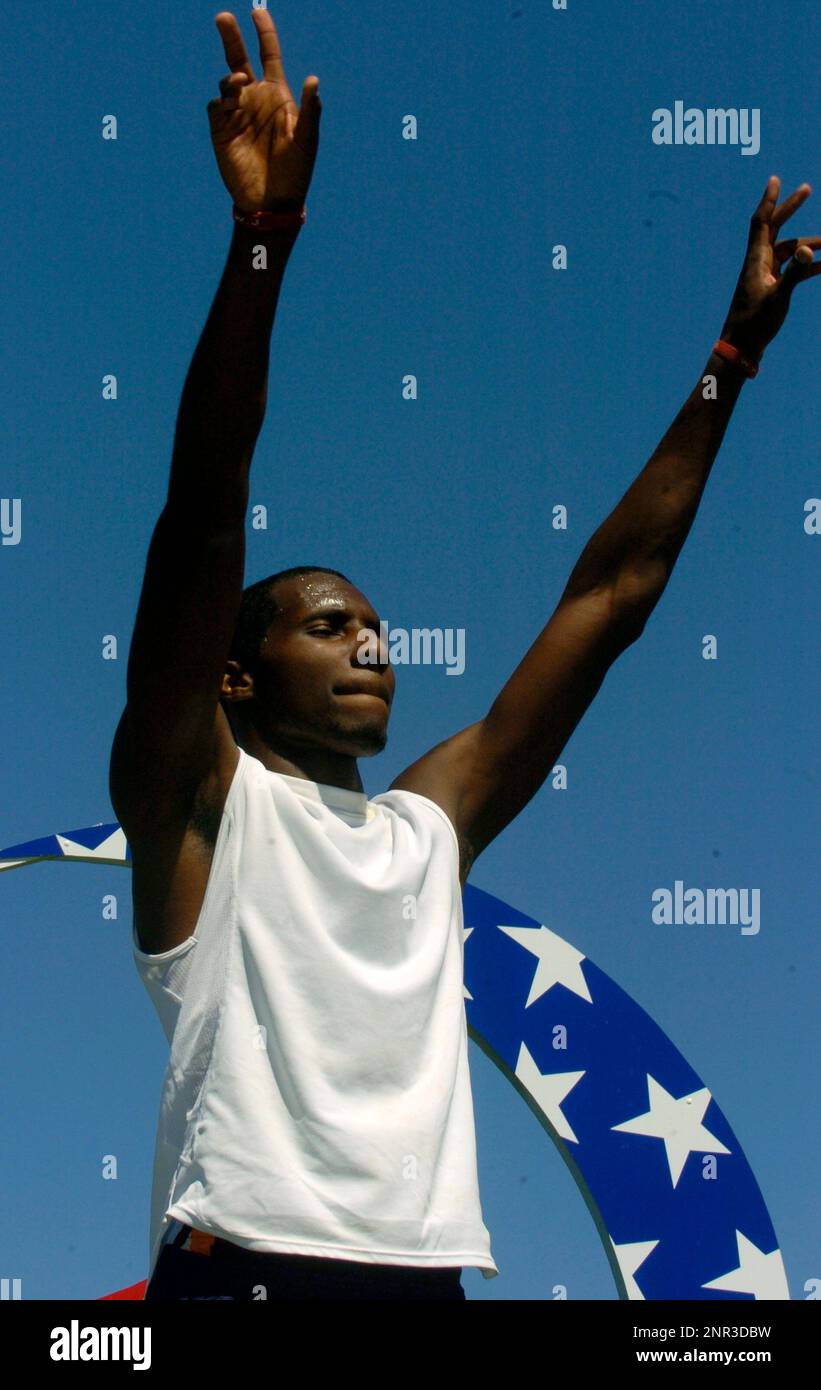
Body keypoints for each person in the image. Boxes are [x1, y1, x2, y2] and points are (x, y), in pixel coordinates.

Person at [109, 9, 819, 1302]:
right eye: (328, 623)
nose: (370, 642)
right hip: (243, 1270)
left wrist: (730, 362)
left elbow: (610, 595)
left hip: (424, 1276)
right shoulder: (199, 802)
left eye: (374, 624)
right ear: (234, 671)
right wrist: (262, 243)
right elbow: (205, 502)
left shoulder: (424, 835)